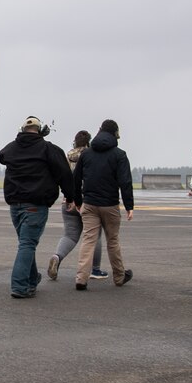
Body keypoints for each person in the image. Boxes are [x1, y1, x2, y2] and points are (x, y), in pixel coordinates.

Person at [0, 116, 73, 298]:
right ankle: (19, 286)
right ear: (40, 131)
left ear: (22, 130)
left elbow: (2, 156)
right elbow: (64, 174)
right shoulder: (48, 149)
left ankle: (32, 279)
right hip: (35, 205)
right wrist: (71, 197)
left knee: (26, 243)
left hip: (15, 205)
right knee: (27, 244)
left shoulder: (11, 148)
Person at [71, 119, 135, 290]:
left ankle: (81, 279)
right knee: (112, 241)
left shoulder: (86, 154)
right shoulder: (119, 155)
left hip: (89, 203)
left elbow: (76, 179)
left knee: (88, 240)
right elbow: (125, 182)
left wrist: (78, 201)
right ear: (115, 134)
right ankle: (119, 276)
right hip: (110, 204)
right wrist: (129, 206)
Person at [48, 130, 107, 283]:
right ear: (89, 142)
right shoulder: (92, 156)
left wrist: (69, 198)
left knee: (69, 235)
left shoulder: (66, 156)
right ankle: (95, 269)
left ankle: (57, 257)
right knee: (95, 235)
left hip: (68, 201)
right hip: (88, 201)